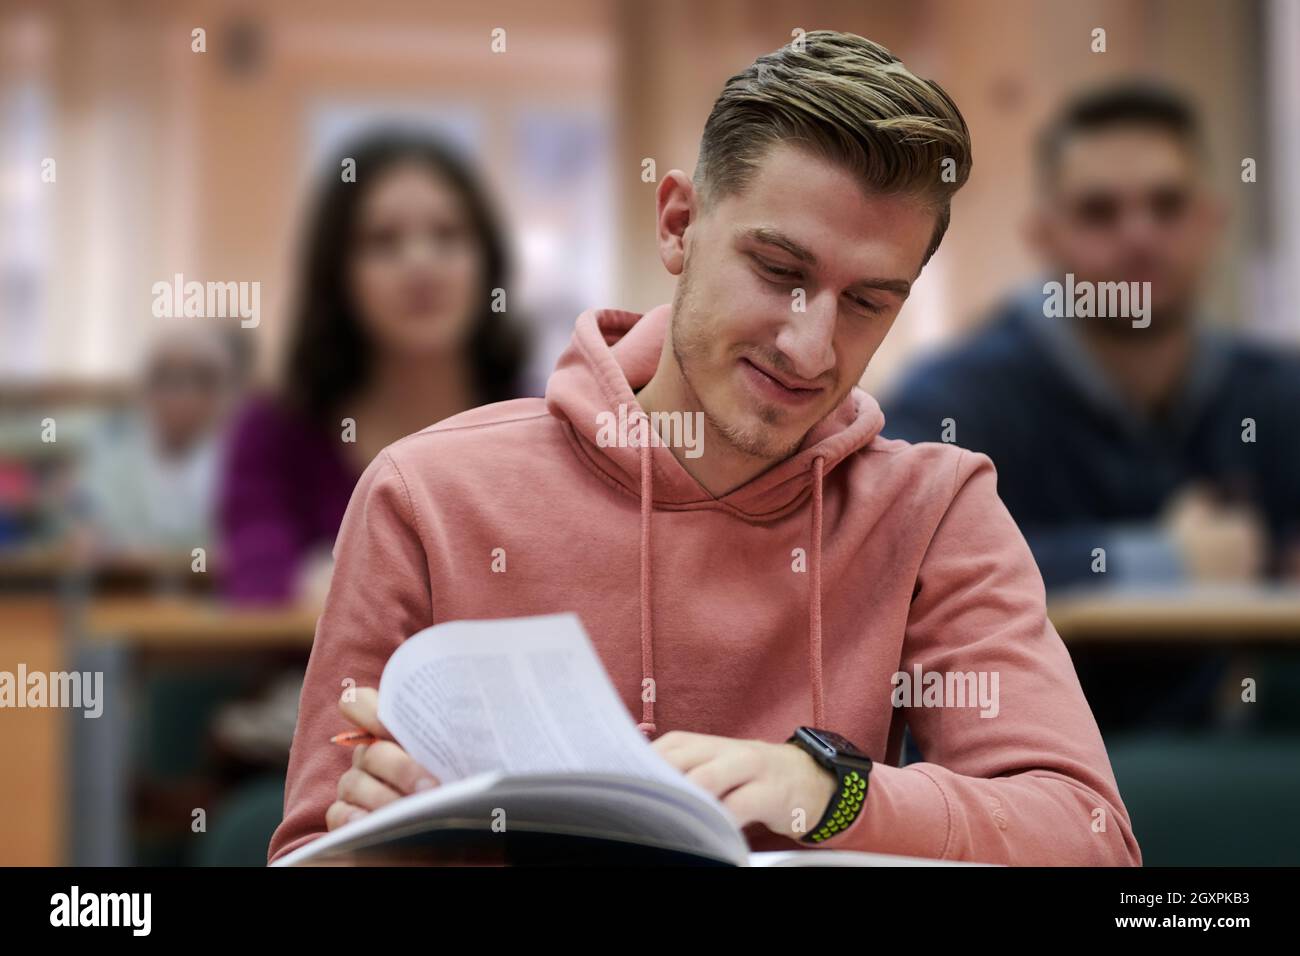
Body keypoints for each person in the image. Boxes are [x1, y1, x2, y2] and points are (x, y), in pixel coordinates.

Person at [270, 32, 1140, 866]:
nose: (810, 347)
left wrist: (828, 791)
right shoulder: (426, 494)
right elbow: (312, 853)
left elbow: (1089, 838)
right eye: (779, 272)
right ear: (679, 223)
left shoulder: (935, 510)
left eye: (869, 301)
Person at [881, 83, 1300, 733]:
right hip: (1022, 765)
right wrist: (1165, 561)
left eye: (1168, 205)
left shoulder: (1278, 393)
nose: (1139, 236)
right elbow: (890, 560)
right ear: (1043, 235)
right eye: (1099, 211)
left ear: (1213, 219)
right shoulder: (957, 398)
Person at [218, 129, 529, 605]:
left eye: (449, 235)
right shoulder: (274, 430)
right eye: (382, 241)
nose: (420, 263)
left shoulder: (542, 423)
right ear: (337, 274)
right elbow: (259, 591)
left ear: (487, 261)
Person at [75, 325, 245, 559]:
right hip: (125, 589)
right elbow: (92, 532)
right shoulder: (112, 454)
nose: (186, 396)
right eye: (169, 380)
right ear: (146, 389)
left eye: (203, 382)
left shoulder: (241, 462)